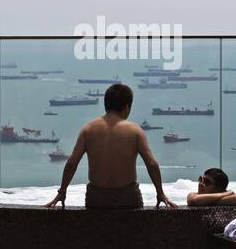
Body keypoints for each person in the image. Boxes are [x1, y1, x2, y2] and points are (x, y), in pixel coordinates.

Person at [46, 83, 177, 209]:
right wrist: (160, 193)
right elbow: (152, 164)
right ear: (127, 107)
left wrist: (62, 192)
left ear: (105, 105)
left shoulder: (88, 129)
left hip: (96, 199)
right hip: (128, 198)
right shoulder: (136, 131)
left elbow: (72, 163)